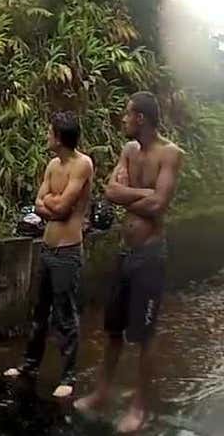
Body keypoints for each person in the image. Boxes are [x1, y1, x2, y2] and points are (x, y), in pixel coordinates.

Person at [75, 91, 184, 433]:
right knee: (112, 330)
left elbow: (158, 207)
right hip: (125, 252)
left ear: (141, 119)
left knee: (145, 336)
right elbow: (110, 192)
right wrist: (145, 194)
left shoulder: (170, 154)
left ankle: (140, 407)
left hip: (150, 255)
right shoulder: (128, 150)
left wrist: (135, 197)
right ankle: (102, 392)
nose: (122, 120)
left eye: (126, 114)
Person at [3, 111, 94, 398]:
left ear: (59, 137)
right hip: (47, 247)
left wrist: (50, 203)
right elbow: (38, 203)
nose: (46, 136)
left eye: (49, 132)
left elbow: (62, 208)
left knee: (65, 314)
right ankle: (30, 365)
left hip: (68, 250)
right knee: (39, 312)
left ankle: (68, 376)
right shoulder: (53, 165)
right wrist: (51, 204)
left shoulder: (82, 165)